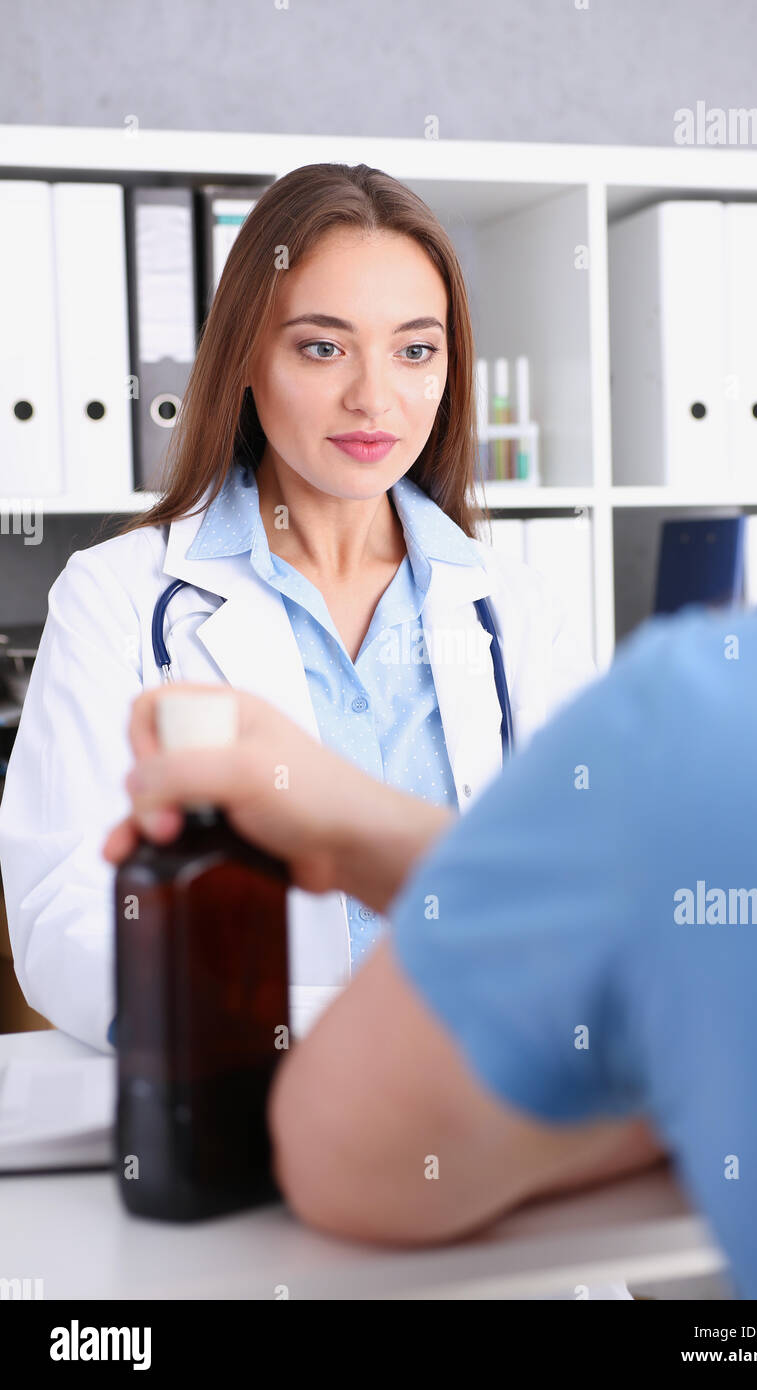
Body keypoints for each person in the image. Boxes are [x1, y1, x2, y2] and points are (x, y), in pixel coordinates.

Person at [104, 573, 757, 1300]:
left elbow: (347, 1149)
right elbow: (617, 912)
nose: (372, 423)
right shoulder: (111, 592)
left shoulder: (704, 710)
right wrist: (363, 835)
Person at [0, 162, 591, 1052]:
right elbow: (63, 911)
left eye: (415, 349)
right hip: (240, 1095)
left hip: (479, 1096)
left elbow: (583, 886)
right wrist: (246, 1029)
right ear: (244, 354)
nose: (374, 397)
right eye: (323, 346)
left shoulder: (516, 610)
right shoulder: (116, 597)